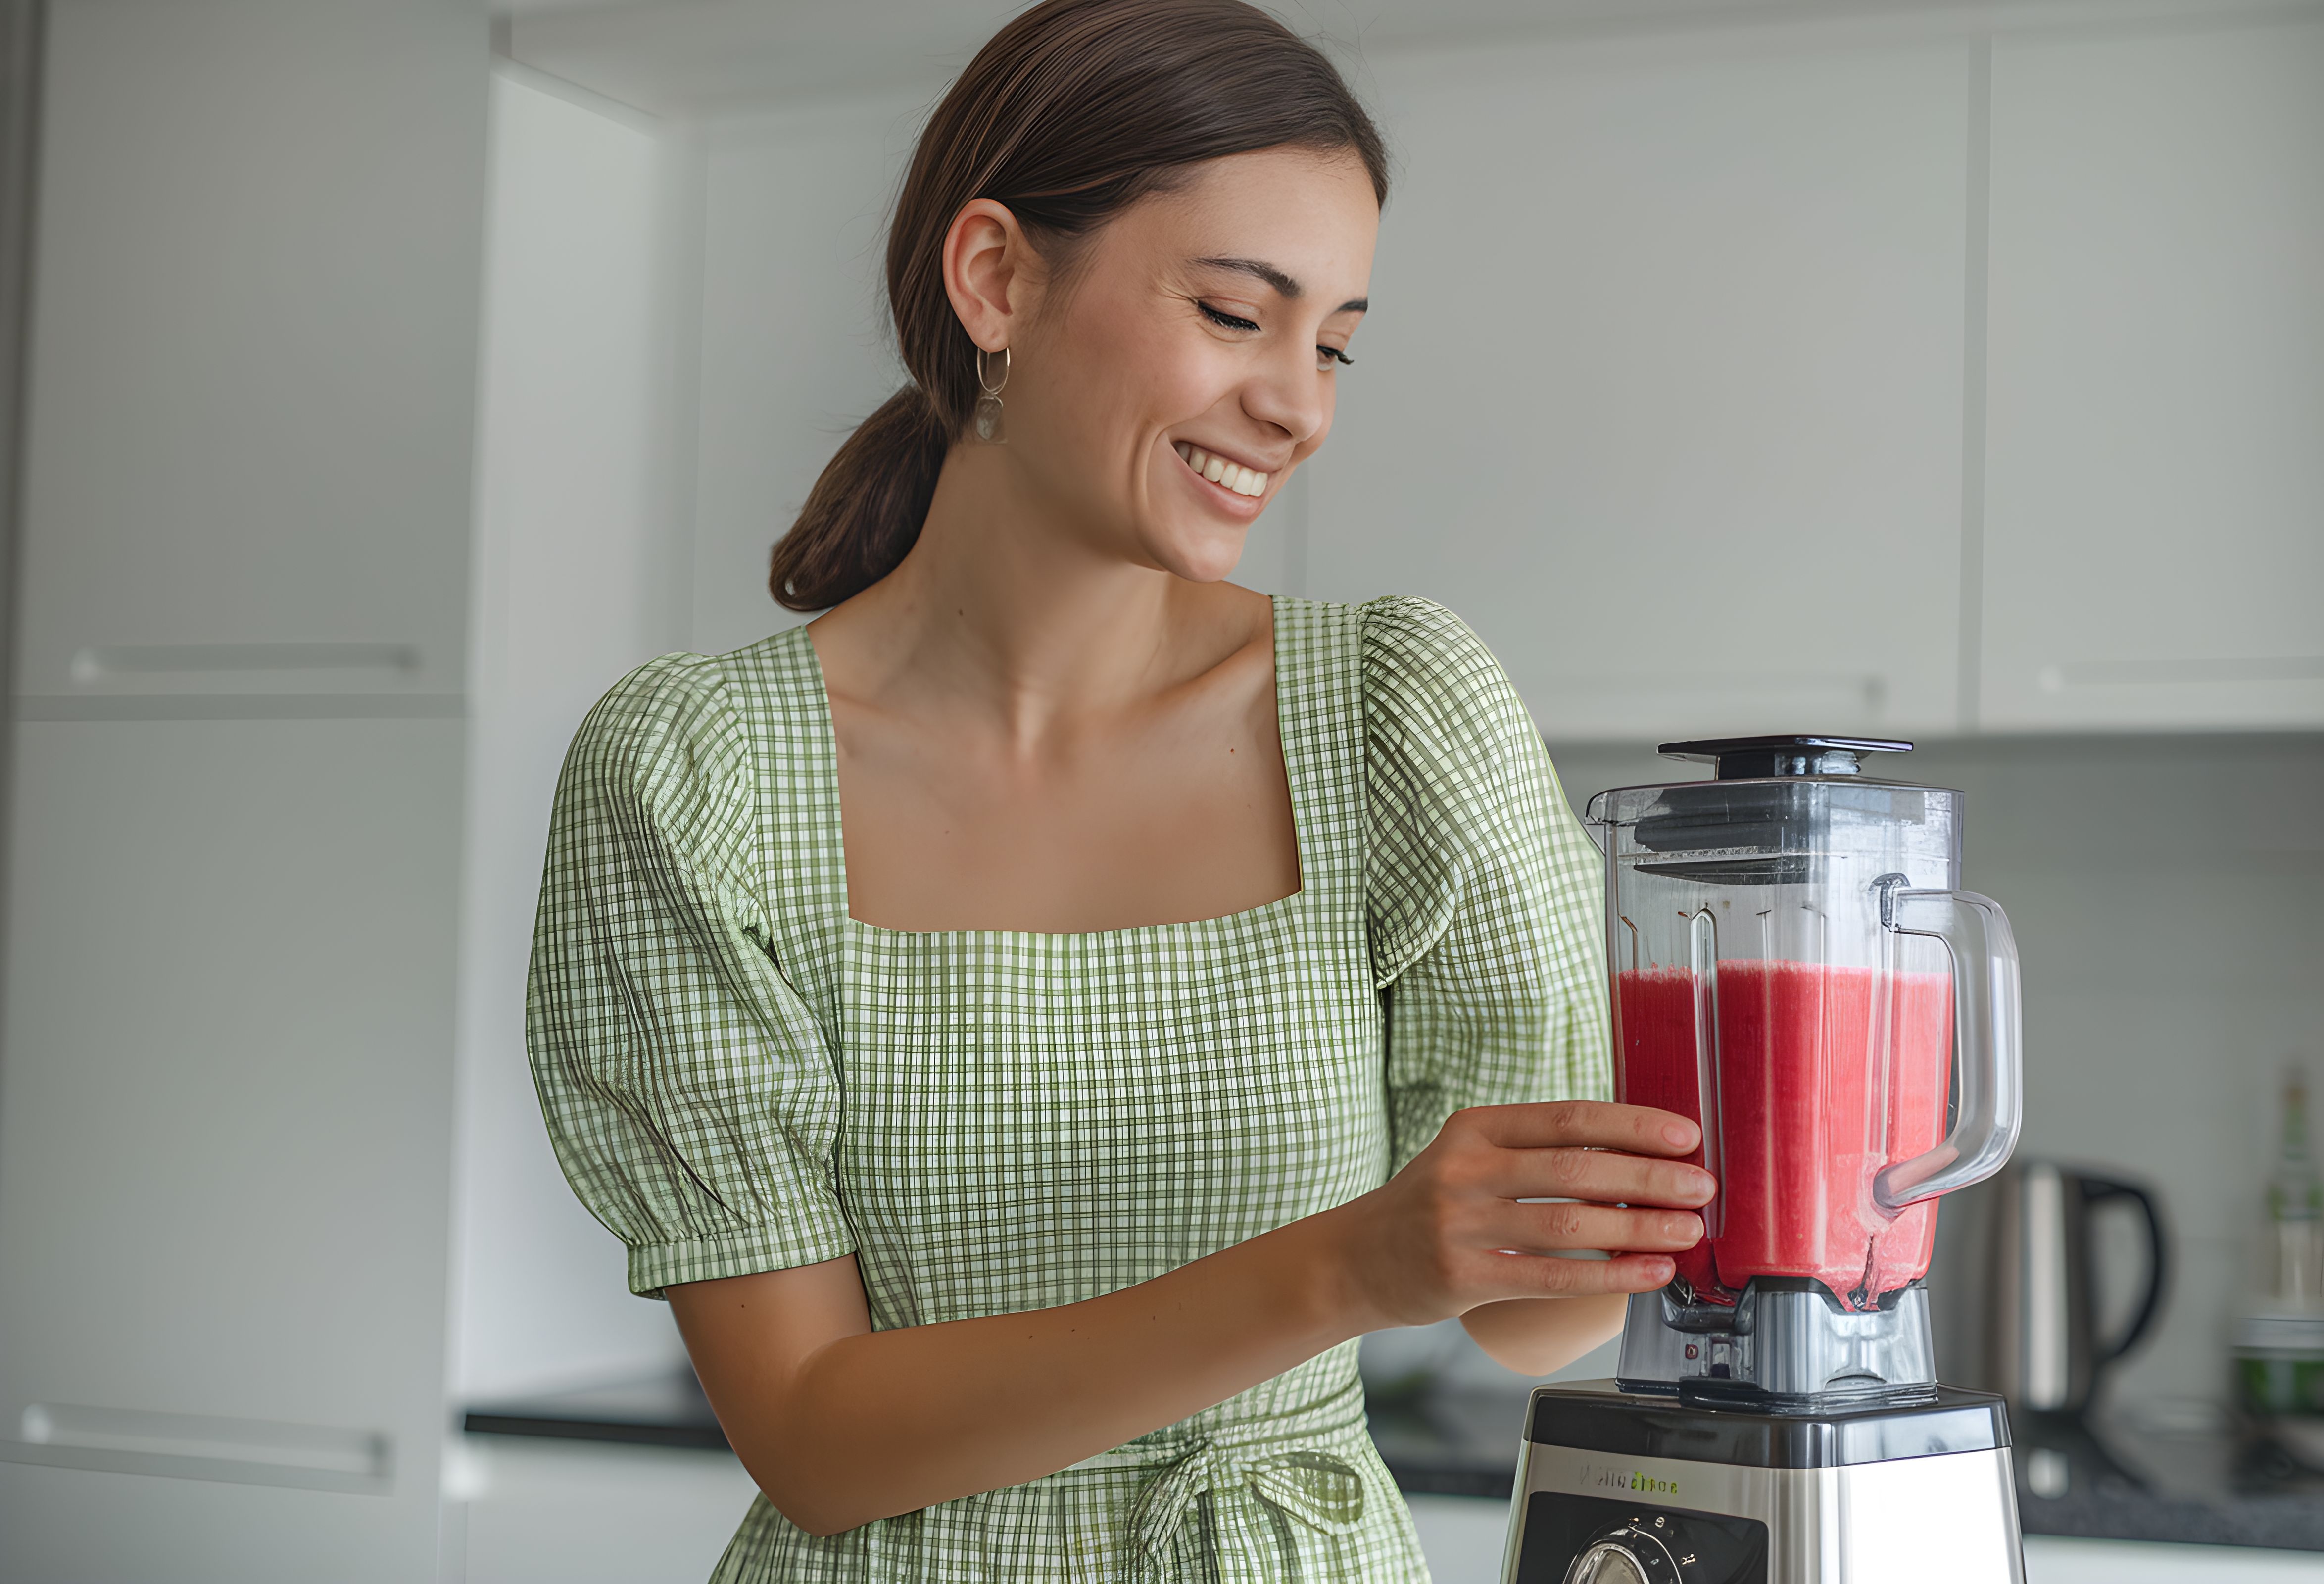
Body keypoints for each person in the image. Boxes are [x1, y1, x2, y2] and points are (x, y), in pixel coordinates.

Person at [525, 1, 1713, 1578]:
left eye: (1337, 341)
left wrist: (1625, 1163)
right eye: (1237, 314)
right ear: (998, 277)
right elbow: (811, 1437)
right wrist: (1347, 1269)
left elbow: (1536, 1322)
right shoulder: (695, 774)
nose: (1304, 407)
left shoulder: (1398, 718)